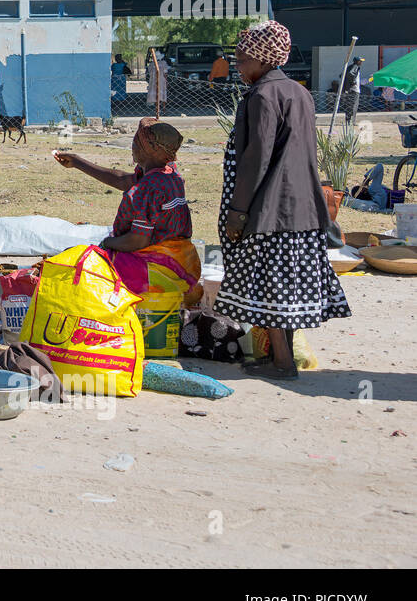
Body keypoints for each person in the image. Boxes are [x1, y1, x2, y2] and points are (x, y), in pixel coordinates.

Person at [217, 19, 351, 380]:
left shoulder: (262, 96)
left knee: (269, 288)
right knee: (286, 288)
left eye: (243, 59)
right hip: (303, 207)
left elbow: (257, 158)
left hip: (269, 208)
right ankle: (282, 357)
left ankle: (282, 363)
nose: (239, 66)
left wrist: (238, 211)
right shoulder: (298, 92)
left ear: (262, 59)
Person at [54, 117, 202, 305]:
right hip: (183, 261)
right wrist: (77, 162)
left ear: (150, 150)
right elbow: (122, 180)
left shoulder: (150, 187)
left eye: (136, 142)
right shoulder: (168, 173)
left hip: (159, 267)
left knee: (80, 265)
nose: (133, 146)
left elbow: (138, 240)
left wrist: (106, 243)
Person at [341, 56, 363, 125]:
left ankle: (348, 120)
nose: (361, 62)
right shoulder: (355, 67)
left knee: (349, 105)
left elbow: (342, 75)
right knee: (354, 106)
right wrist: (353, 82)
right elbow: (350, 74)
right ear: (357, 61)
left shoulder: (350, 67)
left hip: (349, 90)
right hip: (354, 90)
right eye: (360, 61)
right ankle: (352, 122)